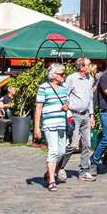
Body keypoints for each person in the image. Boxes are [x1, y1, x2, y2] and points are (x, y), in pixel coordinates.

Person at [59, 57, 97, 183]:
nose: (91, 66)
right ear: (82, 67)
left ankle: (84, 171)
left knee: (87, 144)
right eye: (89, 64)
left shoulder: (90, 79)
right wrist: (66, 111)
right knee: (73, 144)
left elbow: (90, 99)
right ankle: (60, 167)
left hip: (85, 115)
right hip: (74, 115)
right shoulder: (71, 78)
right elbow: (65, 95)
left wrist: (91, 116)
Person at [34, 63, 70, 191]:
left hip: (61, 123)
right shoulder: (44, 88)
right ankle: (52, 180)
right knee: (53, 150)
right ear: (53, 75)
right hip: (49, 124)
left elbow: (67, 102)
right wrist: (36, 127)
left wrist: (66, 106)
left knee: (62, 151)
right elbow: (38, 108)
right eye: (61, 74)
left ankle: (49, 172)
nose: (63, 76)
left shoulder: (64, 87)